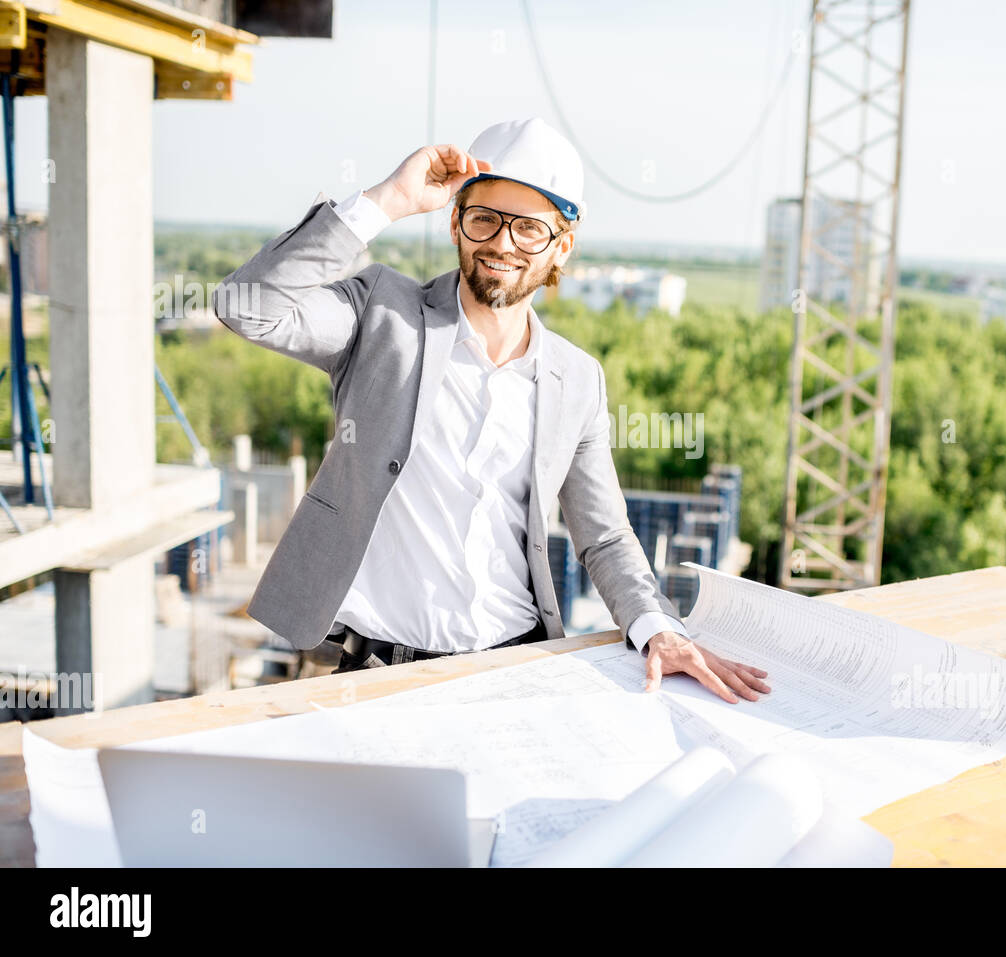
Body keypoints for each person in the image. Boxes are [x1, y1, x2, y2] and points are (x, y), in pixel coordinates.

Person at [213, 117, 770, 704]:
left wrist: (659, 629)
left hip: (516, 673)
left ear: (563, 244)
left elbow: (604, 536)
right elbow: (247, 307)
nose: (502, 244)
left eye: (530, 228)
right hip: (379, 677)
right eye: (485, 219)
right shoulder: (382, 315)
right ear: (456, 221)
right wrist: (386, 201)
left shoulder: (576, 379)